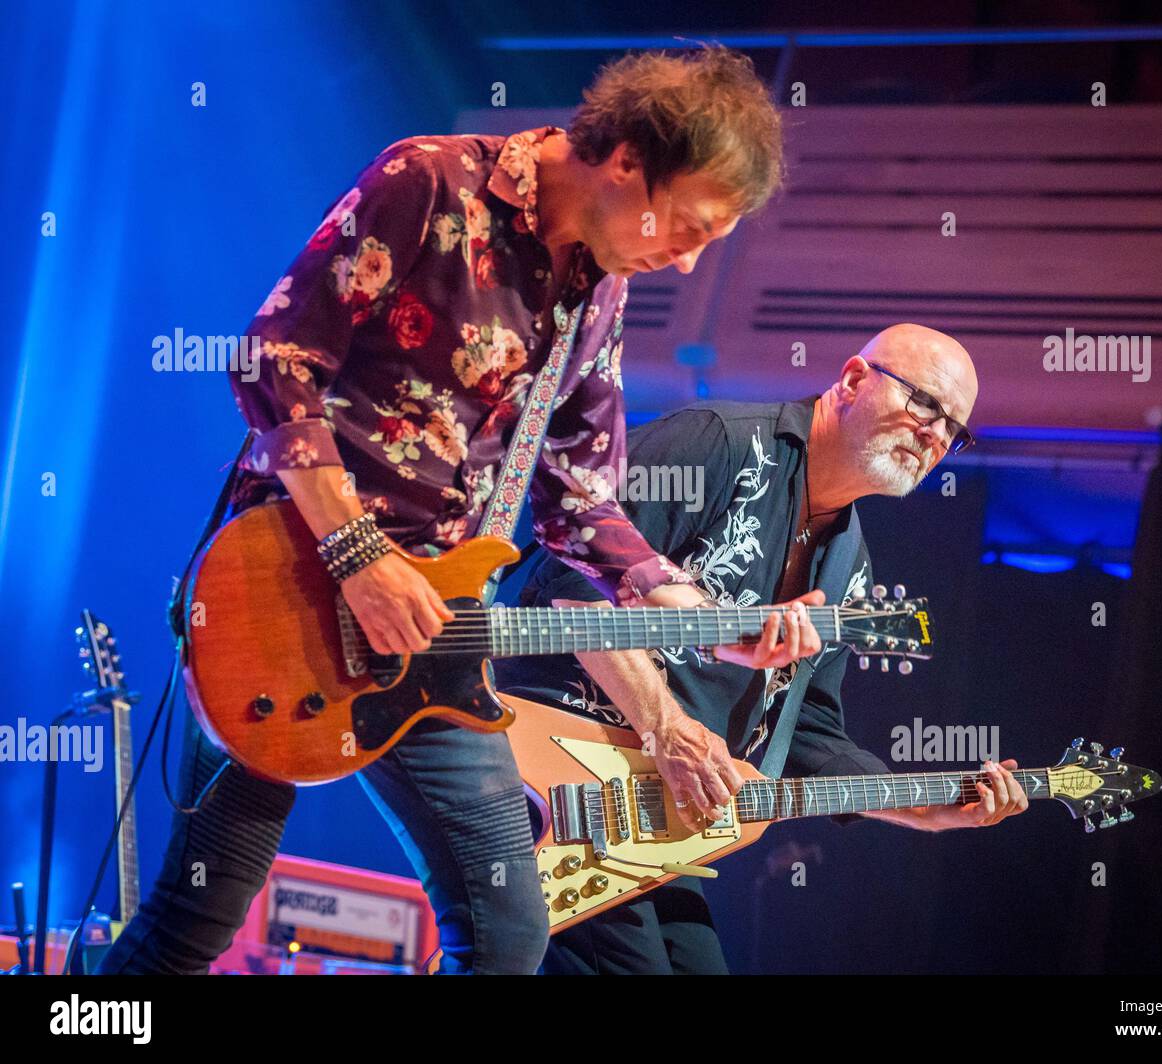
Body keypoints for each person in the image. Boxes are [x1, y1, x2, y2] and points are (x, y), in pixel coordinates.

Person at [97, 46, 824, 976]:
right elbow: (274, 360)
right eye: (687, 228)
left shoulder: (599, 290)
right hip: (284, 589)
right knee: (196, 921)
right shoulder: (430, 182)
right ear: (629, 161)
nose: (685, 261)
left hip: (435, 639)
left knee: (511, 937)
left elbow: (577, 496)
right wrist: (360, 555)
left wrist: (687, 605)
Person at [495, 324, 1031, 974]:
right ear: (856, 379)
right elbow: (573, 585)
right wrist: (667, 726)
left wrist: (921, 808)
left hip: (657, 802)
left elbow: (806, 732)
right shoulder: (717, 443)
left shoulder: (849, 568)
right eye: (925, 403)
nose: (936, 436)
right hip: (555, 769)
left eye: (955, 429)